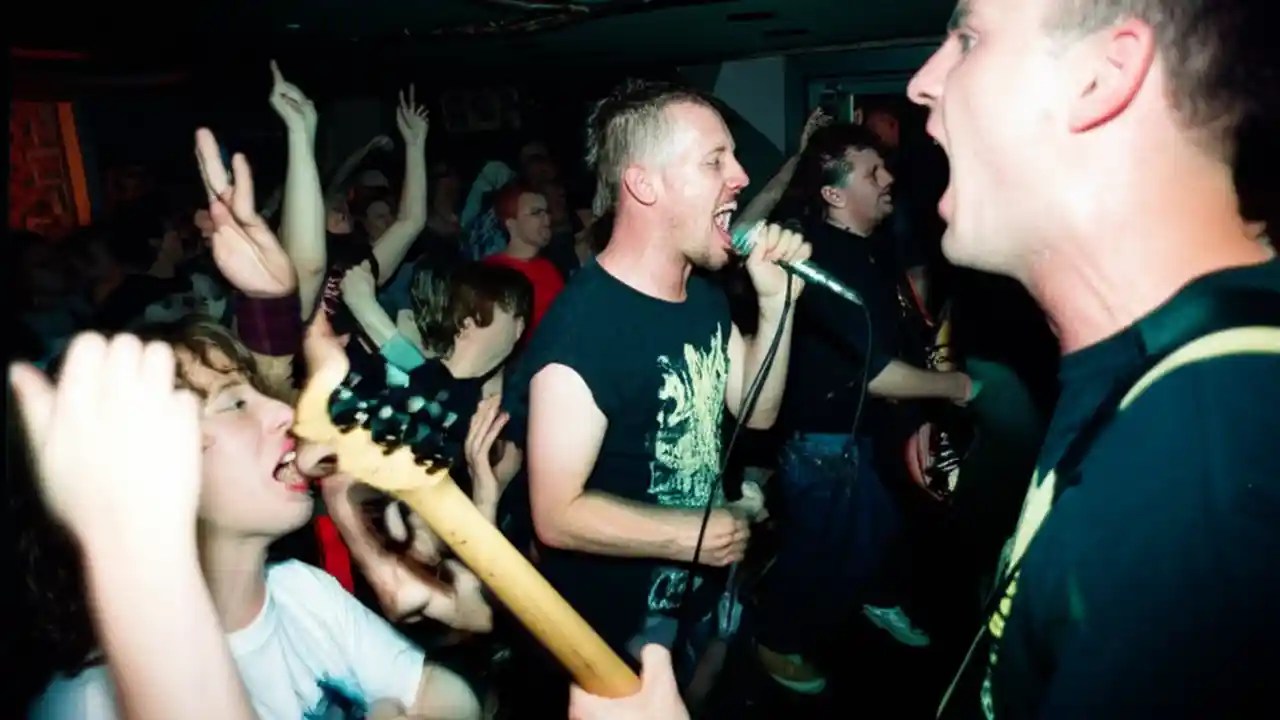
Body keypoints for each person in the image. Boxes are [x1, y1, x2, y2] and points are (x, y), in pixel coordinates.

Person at [23, 128, 481, 720]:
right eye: (234, 404)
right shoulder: (95, 703)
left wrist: (273, 302)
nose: (283, 413)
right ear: (150, 473)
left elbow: (451, 699)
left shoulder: (303, 594)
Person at [907, 0, 1280, 718]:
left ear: (1103, 76)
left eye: (967, 37)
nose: (924, 81)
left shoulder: (1207, 483)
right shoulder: (1159, 393)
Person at [502, 78, 810, 709]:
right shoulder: (583, 329)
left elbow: (757, 410)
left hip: (688, 596)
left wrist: (778, 303)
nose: (741, 176)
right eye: (714, 160)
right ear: (645, 185)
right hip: (607, 635)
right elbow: (555, 515)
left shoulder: (701, 294)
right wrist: (692, 535)